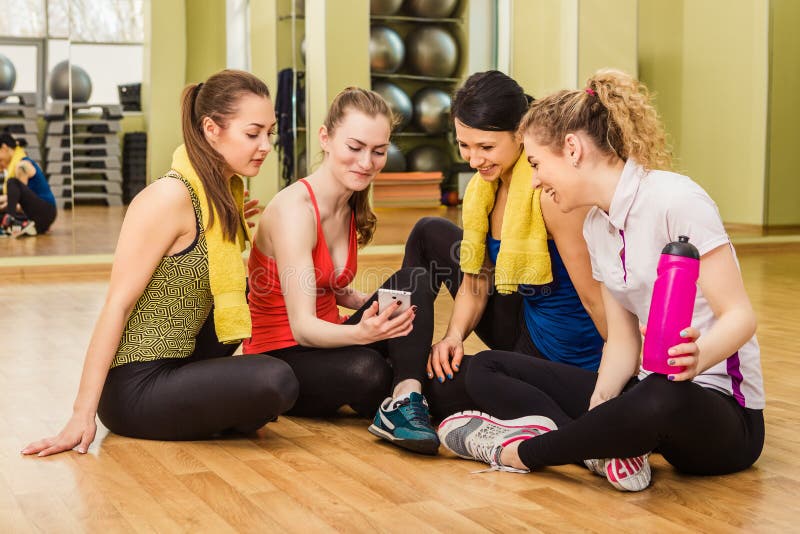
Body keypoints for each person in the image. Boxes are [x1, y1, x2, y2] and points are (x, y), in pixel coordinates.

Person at [437, 69, 765, 492]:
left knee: (662, 393)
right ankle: (604, 443)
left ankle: (517, 453)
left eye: (536, 164)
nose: (534, 179)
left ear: (572, 149)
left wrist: (697, 358)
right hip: (650, 387)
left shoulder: (676, 199)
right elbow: (621, 341)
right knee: (486, 367)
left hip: (723, 412)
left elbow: (740, 315)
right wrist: (600, 406)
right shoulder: (597, 225)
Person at [21, 69, 298, 457]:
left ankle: (215, 410)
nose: (266, 145)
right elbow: (117, 304)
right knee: (276, 380)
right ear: (211, 129)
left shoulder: (219, 197)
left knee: (250, 295)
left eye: (269, 133)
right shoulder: (168, 197)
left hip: (182, 363)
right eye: (253, 134)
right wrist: (81, 414)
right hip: (137, 386)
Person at [244, 87, 440, 455]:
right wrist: (365, 333)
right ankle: (406, 387)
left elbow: (322, 283)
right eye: (355, 147)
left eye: (378, 151)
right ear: (326, 138)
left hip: (330, 340)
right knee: (369, 369)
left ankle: (406, 397)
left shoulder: (350, 204)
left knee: (413, 281)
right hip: (285, 355)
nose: (366, 162)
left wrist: (359, 300)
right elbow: (302, 328)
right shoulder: (295, 211)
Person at [402, 71, 606, 419]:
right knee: (429, 231)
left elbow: (595, 298)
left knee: (454, 381)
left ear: (520, 134)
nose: (473, 160)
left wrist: (620, 383)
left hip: (570, 356)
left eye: (486, 147)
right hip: (527, 326)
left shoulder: (551, 195)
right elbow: (476, 280)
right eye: (464, 145)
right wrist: (452, 337)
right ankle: (399, 366)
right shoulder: (484, 192)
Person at [0, 132, 57, 237]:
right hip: (38, 217)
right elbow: (12, 198)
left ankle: (10, 222)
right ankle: (20, 225)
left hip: (44, 212)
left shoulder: (22, 166)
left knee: (12, 182)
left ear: (4, 148)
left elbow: (18, 204)